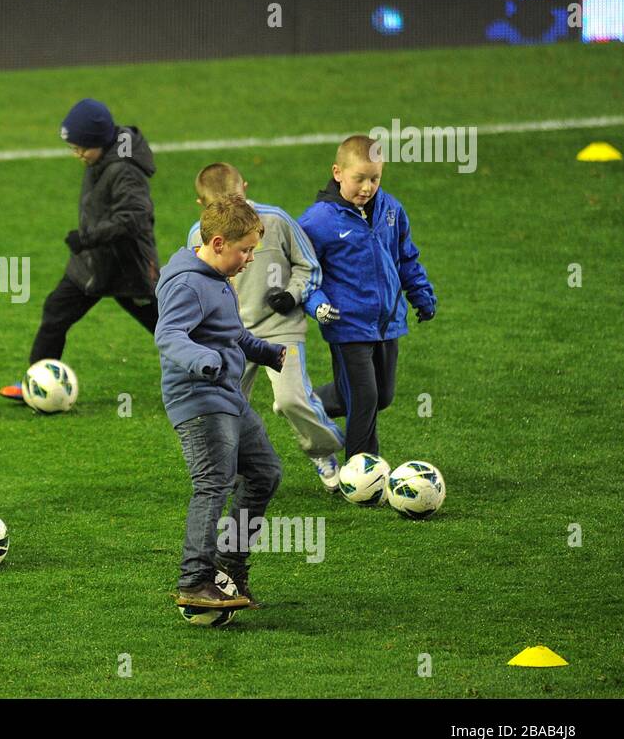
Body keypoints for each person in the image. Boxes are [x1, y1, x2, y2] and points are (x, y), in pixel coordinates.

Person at [156, 196, 286, 611]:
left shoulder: (215, 278)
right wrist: (205, 361)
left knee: (264, 473)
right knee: (213, 483)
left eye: (252, 250)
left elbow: (230, 333)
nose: (248, 259)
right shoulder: (187, 283)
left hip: (226, 395)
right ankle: (194, 581)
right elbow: (170, 335)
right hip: (199, 398)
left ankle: (228, 567)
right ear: (216, 242)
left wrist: (265, 352)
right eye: (243, 250)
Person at [188, 163, 346, 492]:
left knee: (290, 399)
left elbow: (309, 265)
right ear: (203, 207)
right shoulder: (198, 237)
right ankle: (238, 468)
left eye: (238, 201)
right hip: (231, 335)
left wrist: (292, 295)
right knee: (225, 407)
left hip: (279, 327)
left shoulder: (275, 220)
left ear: (246, 188)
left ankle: (324, 450)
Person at [0, 98, 160, 400]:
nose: (77, 155)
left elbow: (134, 218)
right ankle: (36, 383)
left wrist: (88, 238)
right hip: (93, 264)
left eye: (81, 148)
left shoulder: (125, 170)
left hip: (128, 266)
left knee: (166, 327)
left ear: (100, 141)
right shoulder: (102, 154)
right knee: (55, 312)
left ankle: (213, 365)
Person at [298, 135, 437, 461]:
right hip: (346, 323)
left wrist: (419, 293)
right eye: (359, 178)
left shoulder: (391, 209)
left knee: (383, 396)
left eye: (375, 178)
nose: (367, 186)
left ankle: (307, 404)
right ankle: (362, 470)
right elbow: (303, 273)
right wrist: (316, 304)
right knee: (364, 395)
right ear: (337, 173)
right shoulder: (318, 221)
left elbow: (405, 258)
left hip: (387, 321)